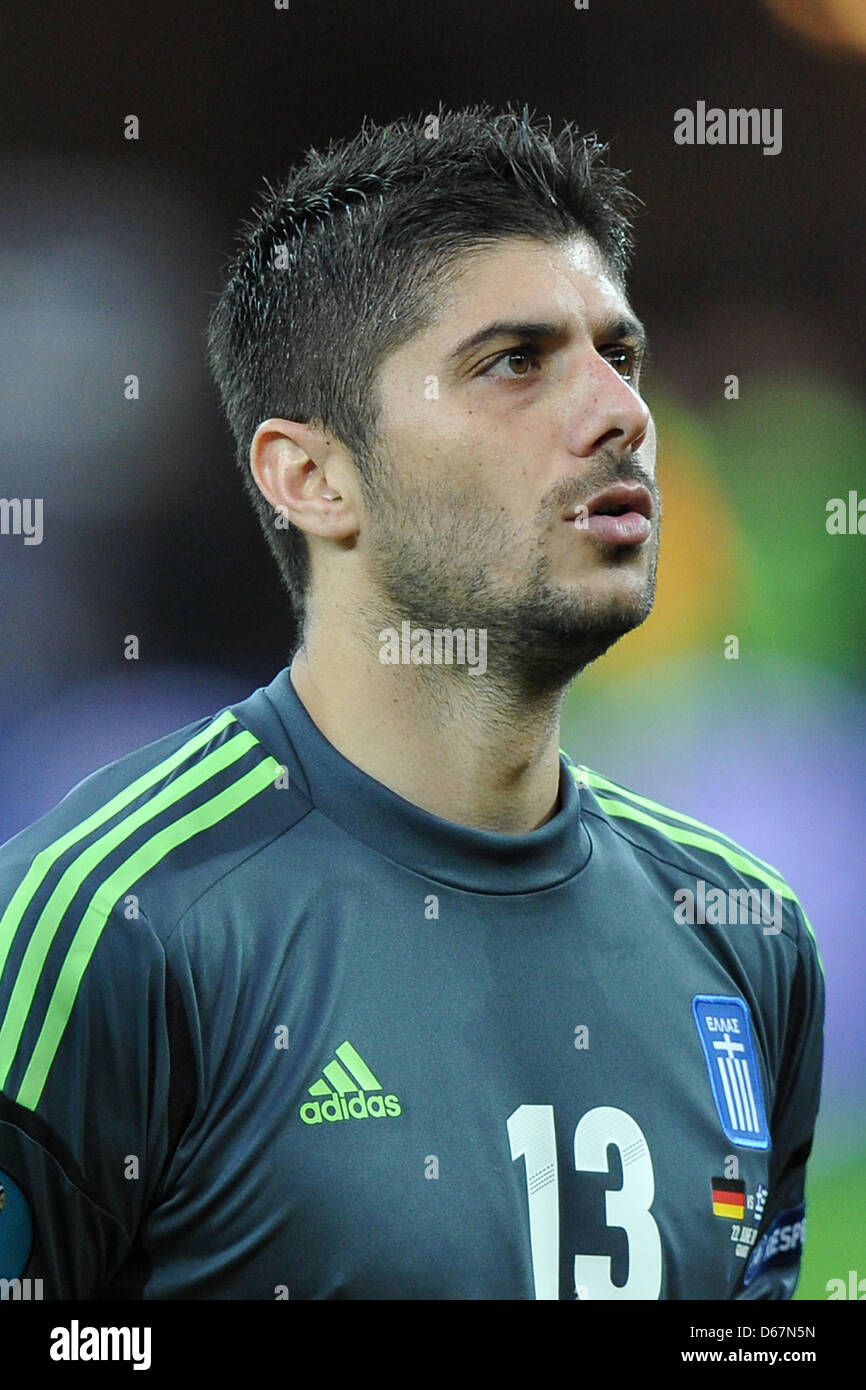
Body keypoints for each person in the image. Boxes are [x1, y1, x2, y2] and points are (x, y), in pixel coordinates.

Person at [0, 105, 823, 1300]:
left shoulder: (743, 940)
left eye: (619, 354)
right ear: (312, 477)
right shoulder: (109, 924)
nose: (620, 413)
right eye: (513, 362)